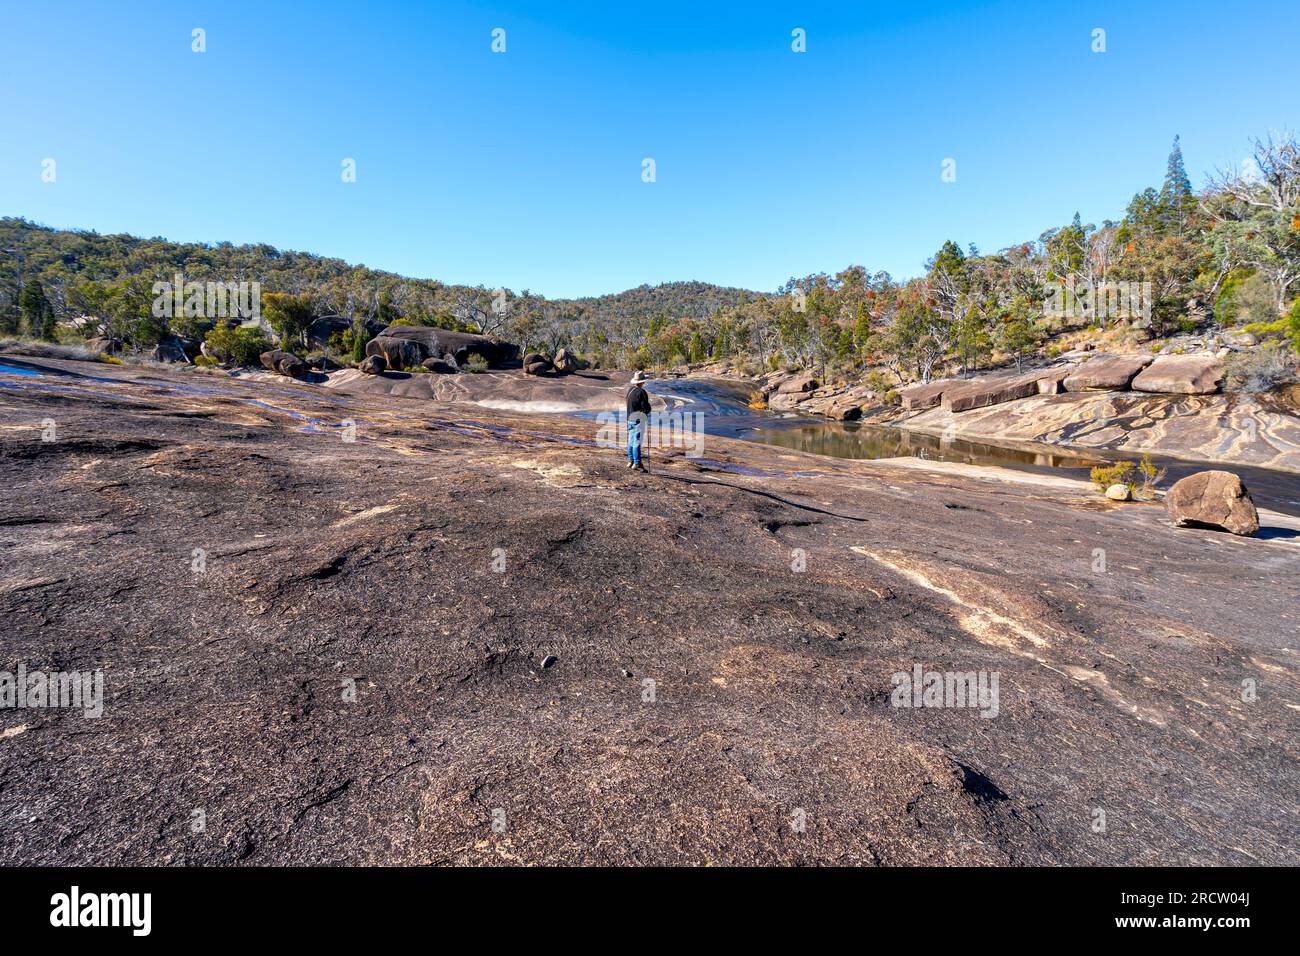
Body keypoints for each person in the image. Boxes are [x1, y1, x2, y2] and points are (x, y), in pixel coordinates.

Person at [625, 371, 652, 472]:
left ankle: (630, 461)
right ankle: (637, 463)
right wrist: (649, 409)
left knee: (631, 440)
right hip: (638, 420)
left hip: (630, 419)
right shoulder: (642, 392)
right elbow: (645, 408)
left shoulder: (630, 390)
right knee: (636, 441)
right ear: (642, 382)